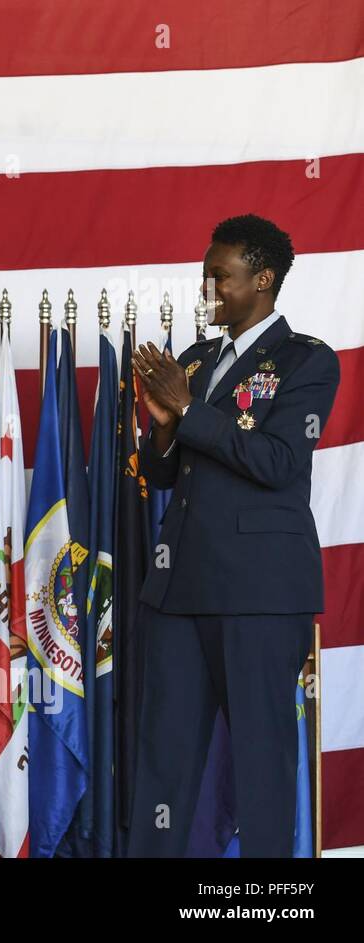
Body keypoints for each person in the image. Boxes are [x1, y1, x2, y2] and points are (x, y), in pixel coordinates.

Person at [129, 213, 339, 857]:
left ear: (264, 279)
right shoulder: (193, 360)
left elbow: (277, 462)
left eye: (221, 275)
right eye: (206, 275)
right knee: (163, 758)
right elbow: (164, 472)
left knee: (260, 761)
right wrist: (164, 426)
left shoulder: (308, 360)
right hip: (180, 588)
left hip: (260, 594)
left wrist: (189, 411)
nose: (209, 287)